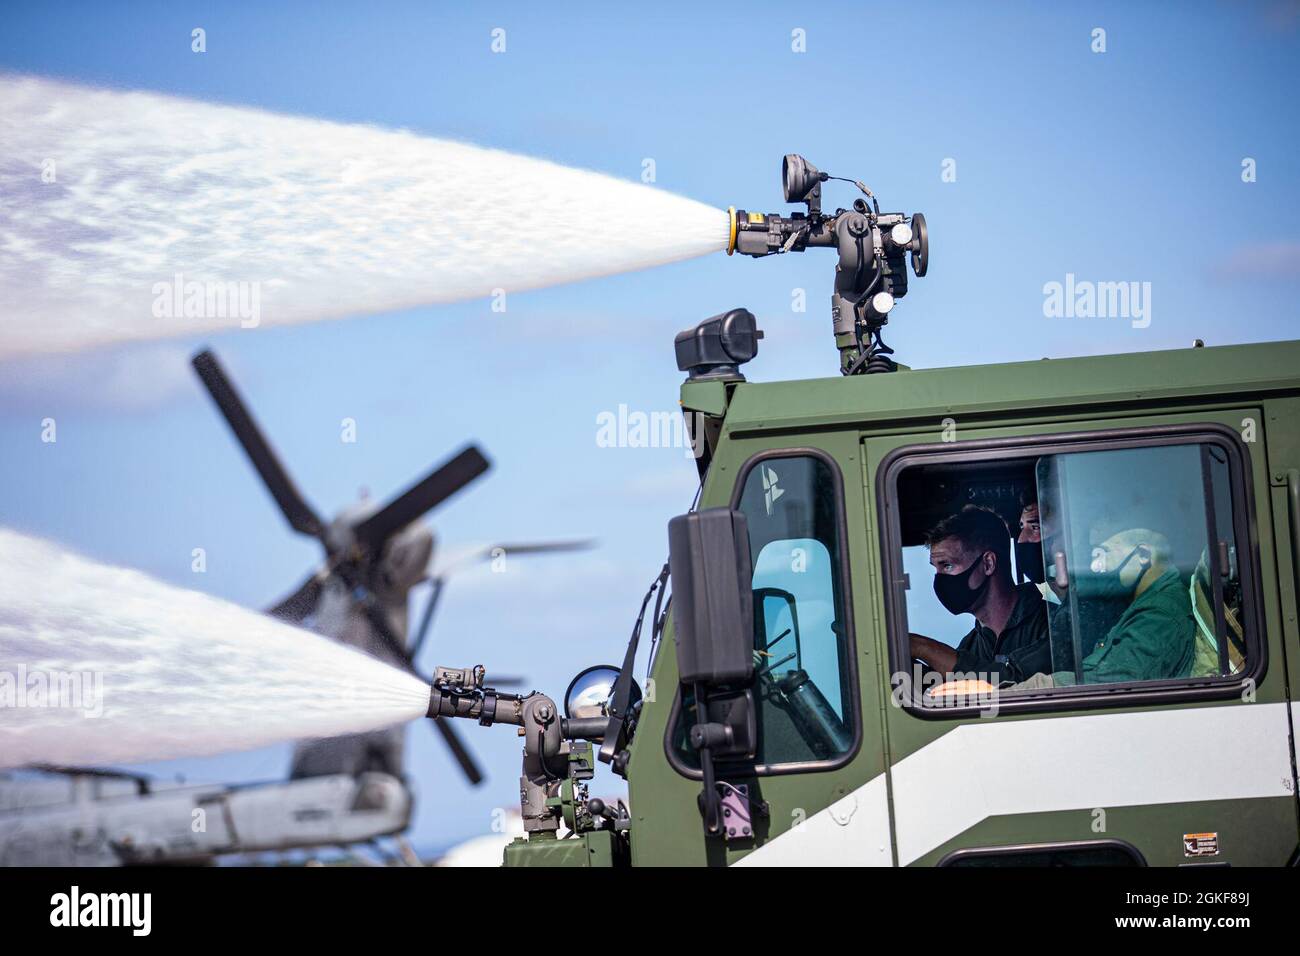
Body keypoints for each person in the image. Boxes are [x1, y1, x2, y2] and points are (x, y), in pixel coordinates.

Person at [909, 505, 1051, 686]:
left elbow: (1016, 682)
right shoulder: (970, 646)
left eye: (947, 565)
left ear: (988, 564)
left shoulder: (1053, 625)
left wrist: (922, 647)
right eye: (936, 568)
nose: (939, 579)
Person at [1075, 527, 1195, 683]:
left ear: (1143, 555)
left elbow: (1115, 680)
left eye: (1103, 553)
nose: (1094, 566)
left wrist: (1045, 685)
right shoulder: (1139, 602)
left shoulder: (1160, 616)